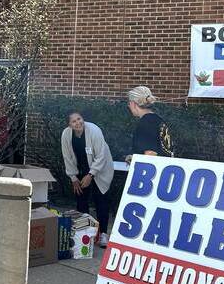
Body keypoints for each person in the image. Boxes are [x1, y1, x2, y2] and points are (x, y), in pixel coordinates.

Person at [61, 111, 115, 248]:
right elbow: (67, 157)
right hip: (81, 169)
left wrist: (91, 174)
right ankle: (83, 232)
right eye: (74, 121)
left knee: (101, 200)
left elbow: (101, 155)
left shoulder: (94, 131)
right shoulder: (66, 135)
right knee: (81, 199)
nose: (78, 122)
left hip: (100, 168)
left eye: (79, 119)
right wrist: (73, 177)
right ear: (69, 124)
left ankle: (103, 234)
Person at [125, 86, 173, 161]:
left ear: (133, 104)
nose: (128, 106)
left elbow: (150, 154)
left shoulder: (146, 123)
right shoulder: (158, 120)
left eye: (128, 103)